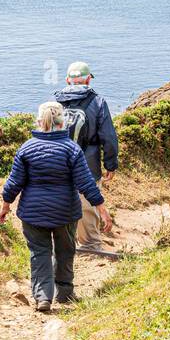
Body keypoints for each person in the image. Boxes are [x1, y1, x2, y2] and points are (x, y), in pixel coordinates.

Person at [0, 101, 111, 312]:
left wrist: (5, 205)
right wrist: (102, 210)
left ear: (39, 122)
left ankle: (43, 297)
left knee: (39, 252)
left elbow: (14, 183)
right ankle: (65, 294)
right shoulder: (72, 149)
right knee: (65, 251)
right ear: (63, 122)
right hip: (65, 212)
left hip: (33, 213)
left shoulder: (27, 148)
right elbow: (86, 183)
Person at [53, 60, 119, 251]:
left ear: (67, 80)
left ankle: (64, 244)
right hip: (88, 164)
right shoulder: (98, 102)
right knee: (88, 205)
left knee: (61, 203)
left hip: (59, 163)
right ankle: (90, 245)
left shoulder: (55, 102)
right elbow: (108, 136)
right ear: (88, 80)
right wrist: (110, 164)